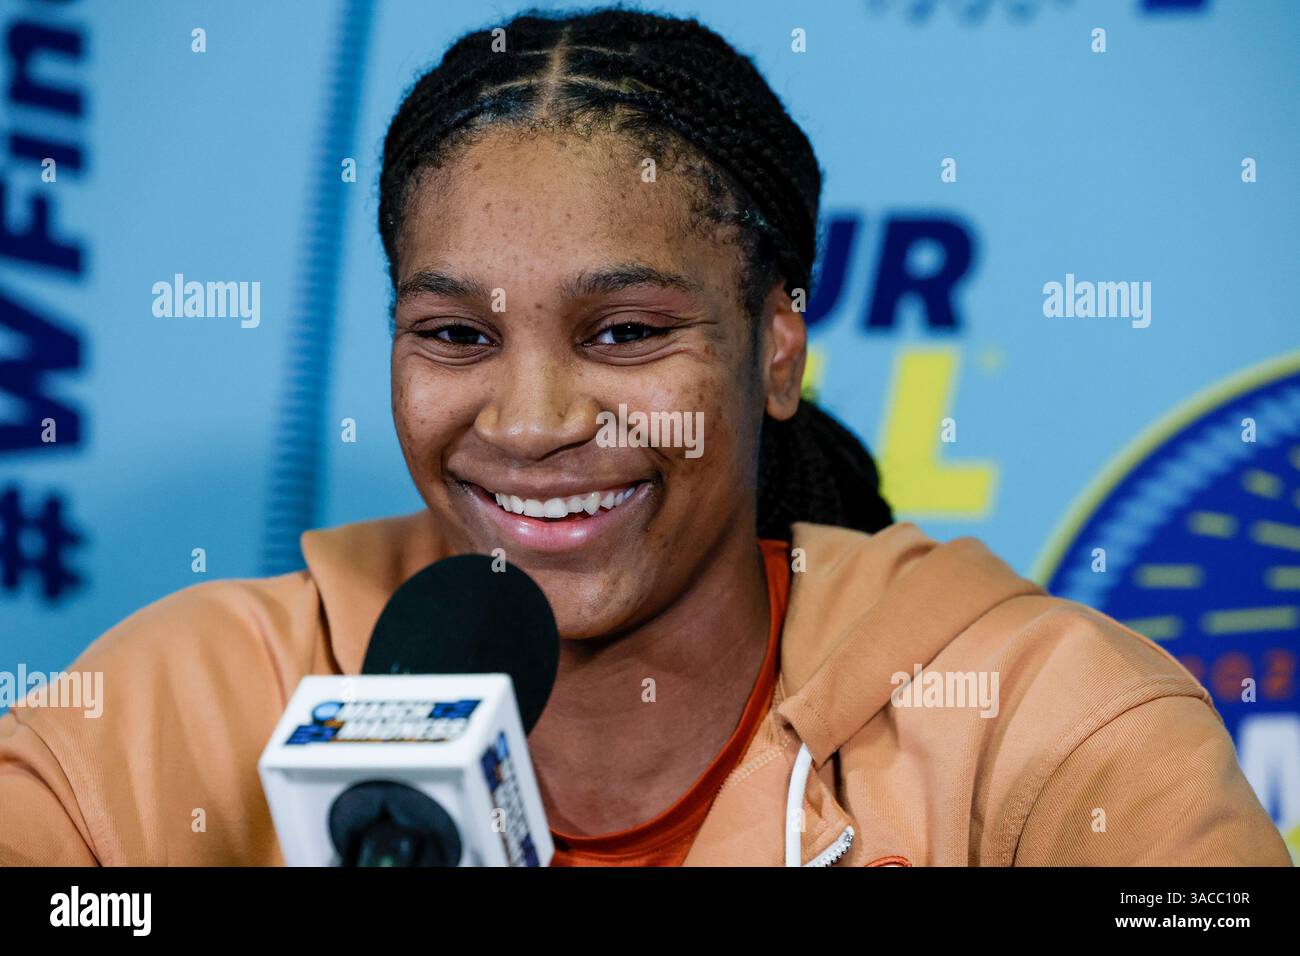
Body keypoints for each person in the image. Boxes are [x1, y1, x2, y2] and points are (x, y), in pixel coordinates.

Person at [0, 8, 1287, 867]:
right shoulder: (195, 696)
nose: (532, 420)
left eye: (621, 333)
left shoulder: (1043, 722)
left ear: (775, 344)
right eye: (454, 335)